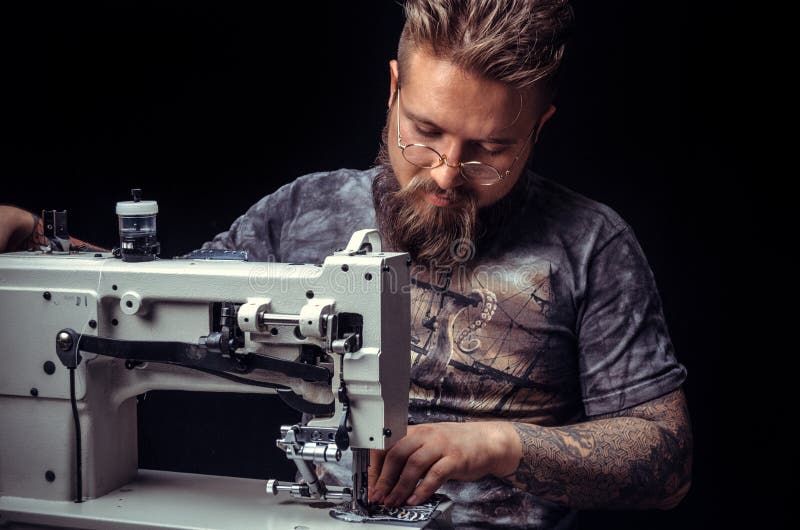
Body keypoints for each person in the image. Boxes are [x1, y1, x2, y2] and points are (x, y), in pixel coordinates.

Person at [1, 1, 692, 528]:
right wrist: (40, 245)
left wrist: (498, 444)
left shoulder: (591, 247)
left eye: (489, 149)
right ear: (393, 89)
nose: (449, 174)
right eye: (424, 132)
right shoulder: (301, 211)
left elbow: (666, 463)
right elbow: (152, 317)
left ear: (538, 129)